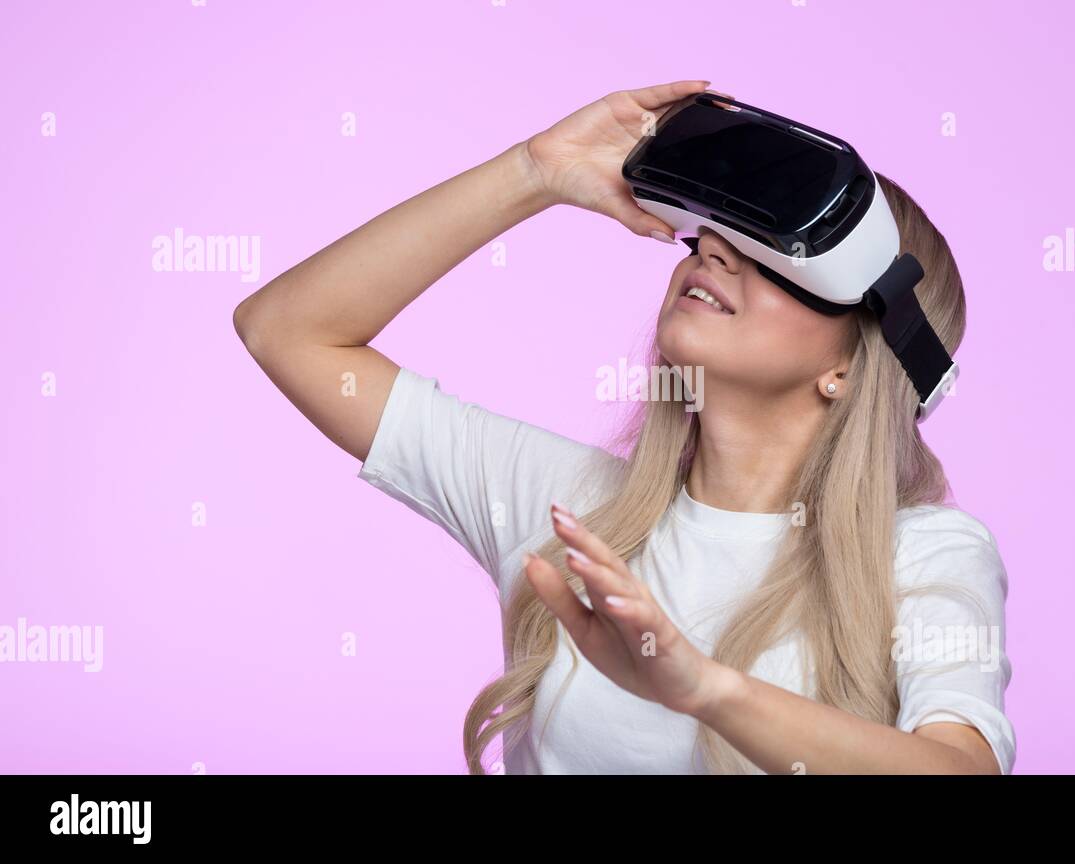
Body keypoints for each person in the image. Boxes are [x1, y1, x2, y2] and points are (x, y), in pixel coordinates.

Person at [233, 80, 1016, 775]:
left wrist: (705, 689)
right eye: (711, 236)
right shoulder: (569, 511)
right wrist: (534, 173)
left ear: (849, 363)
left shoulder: (921, 554)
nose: (711, 254)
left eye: (777, 256)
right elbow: (288, 330)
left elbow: (959, 770)